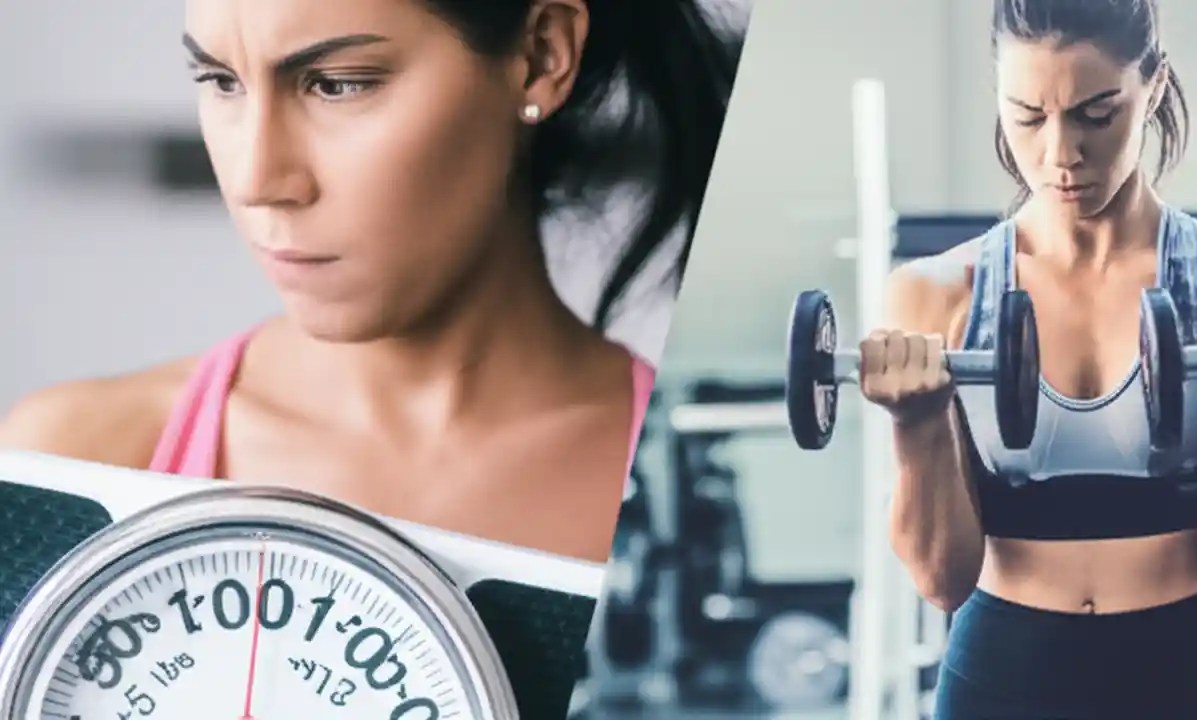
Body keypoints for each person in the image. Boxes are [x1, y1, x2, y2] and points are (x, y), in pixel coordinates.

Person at [0, 0, 742, 564]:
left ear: (541, 55)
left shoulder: (678, 493)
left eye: (336, 84)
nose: (259, 179)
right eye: (221, 81)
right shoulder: (74, 465)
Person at [859, 0, 1197, 717]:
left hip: (1191, 667)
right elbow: (941, 581)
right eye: (1027, 115)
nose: (1060, 155)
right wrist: (916, 423)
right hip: (1003, 671)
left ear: (1152, 86)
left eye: (1096, 113)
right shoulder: (934, 295)